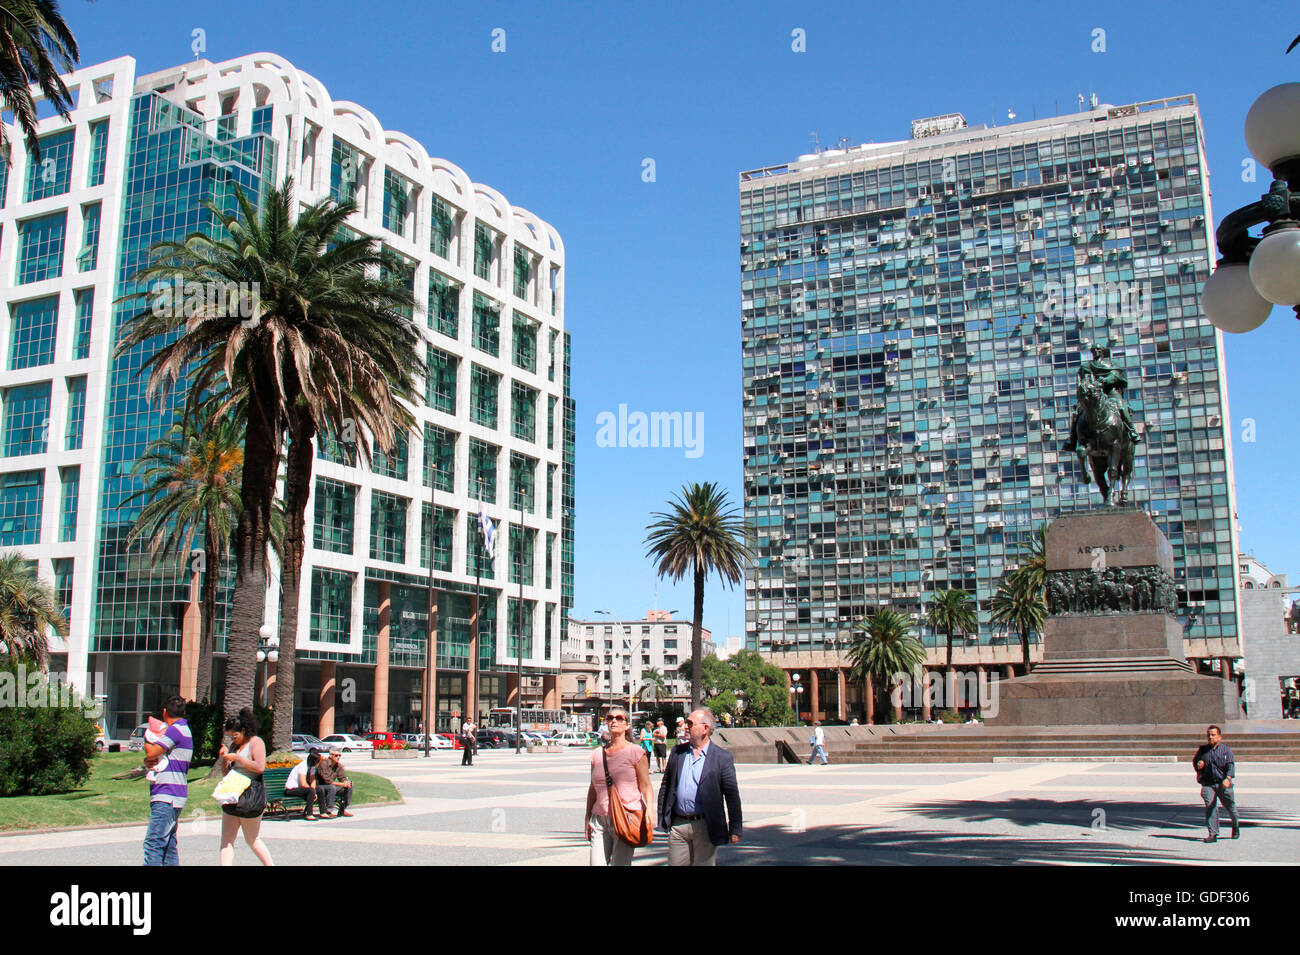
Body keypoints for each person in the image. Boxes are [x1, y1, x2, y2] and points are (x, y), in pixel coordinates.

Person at [657, 708, 742, 866]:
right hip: (678, 824)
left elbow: (731, 795)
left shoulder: (722, 758)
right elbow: (666, 785)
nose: (685, 727)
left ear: (705, 728)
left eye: (690, 723)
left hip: (705, 825)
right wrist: (662, 818)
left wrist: (735, 827)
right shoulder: (677, 752)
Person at [584, 708, 654, 866]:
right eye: (610, 718)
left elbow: (646, 786)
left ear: (627, 725)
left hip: (626, 816)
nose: (613, 721)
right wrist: (587, 818)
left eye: (619, 718)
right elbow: (593, 789)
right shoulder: (597, 754)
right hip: (600, 819)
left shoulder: (636, 752)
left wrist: (650, 811)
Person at [217, 707, 273, 866]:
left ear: (243, 730)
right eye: (230, 736)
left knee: (252, 839)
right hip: (233, 795)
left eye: (235, 735)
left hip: (250, 796)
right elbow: (227, 773)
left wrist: (239, 759)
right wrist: (225, 759)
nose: (233, 739)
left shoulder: (256, 742)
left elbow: (260, 767)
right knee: (226, 840)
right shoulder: (234, 747)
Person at [142, 695, 192, 866]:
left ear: (164, 712)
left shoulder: (174, 730)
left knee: (153, 844)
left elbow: (151, 753)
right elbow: (156, 758)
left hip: (167, 795)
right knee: (169, 845)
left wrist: (146, 738)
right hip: (176, 794)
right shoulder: (184, 729)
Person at [1194, 724, 1239, 843]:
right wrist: (1199, 766)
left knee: (1230, 807)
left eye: (1213, 735)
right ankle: (1213, 833)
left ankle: (1235, 825)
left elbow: (1230, 765)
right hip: (1208, 783)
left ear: (1220, 737)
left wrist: (1228, 778)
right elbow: (1196, 762)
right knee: (1210, 806)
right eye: (1208, 735)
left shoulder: (1226, 750)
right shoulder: (1203, 750)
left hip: (1223, 783)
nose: (1210, 737)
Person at [316, 746, 354, 818]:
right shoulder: (324, 764)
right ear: (330, 756)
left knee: (350, 787)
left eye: (340, 755)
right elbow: (327, 781)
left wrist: (346, 782)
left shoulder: (338, 765)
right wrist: (342, 784)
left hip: (330, 786)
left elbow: (342, 777)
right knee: (332, 788)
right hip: (321, 787)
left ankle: (343, 809)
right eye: (336, 756)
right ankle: (329, 810)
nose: (338, 757)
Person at [284, 750, 321, 820]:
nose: (319, 763)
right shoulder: (303, 766)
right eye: (318, 761)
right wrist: (313, 791)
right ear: (314, 761)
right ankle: (309, 814)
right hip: (290, 789)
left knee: (319, 789)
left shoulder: (312, 767)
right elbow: (303, 784)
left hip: (299, 789)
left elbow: (312, 780)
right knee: (311, 791)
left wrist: (315, 791)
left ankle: (323, 812)